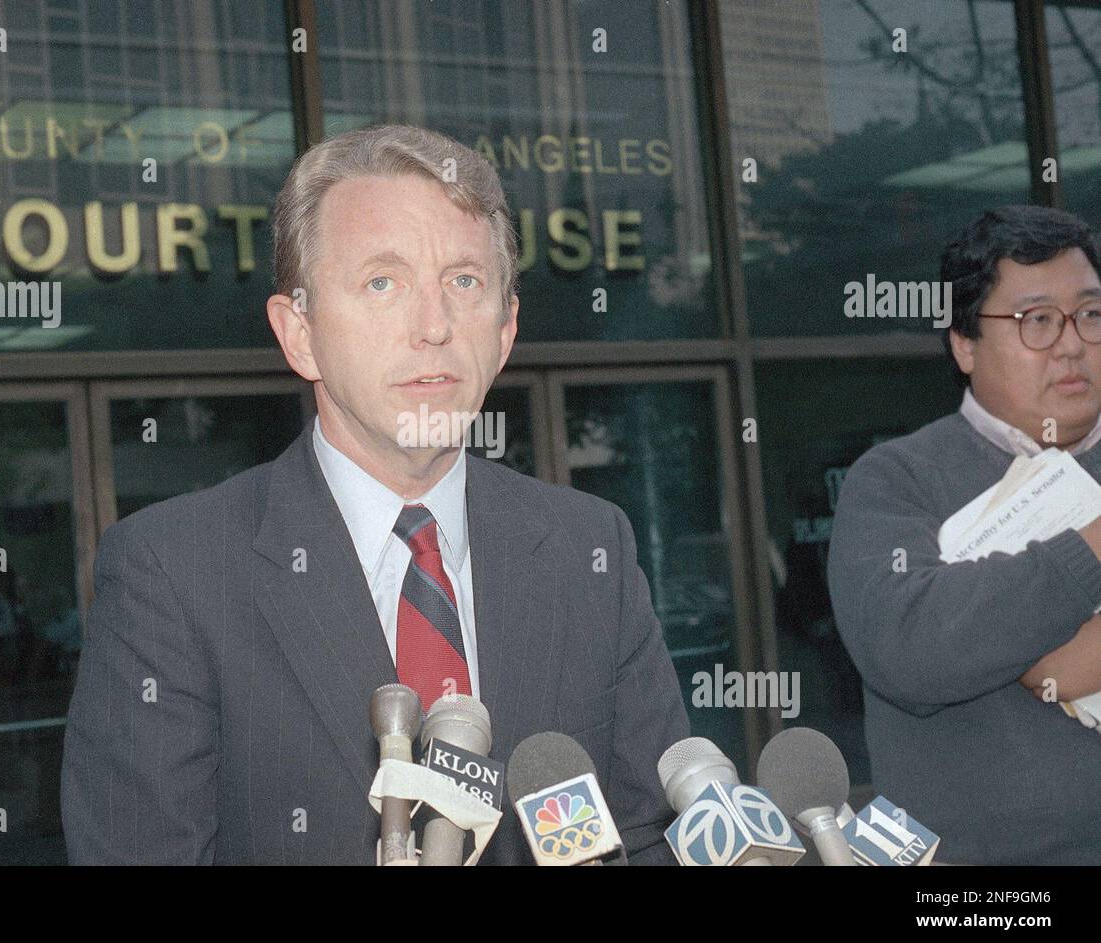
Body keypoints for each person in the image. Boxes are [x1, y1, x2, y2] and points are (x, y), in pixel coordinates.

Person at [61, 123, 690, 864]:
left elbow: (648, 834)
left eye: (464, 281)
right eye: (382, 282)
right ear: (300, 334)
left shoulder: (592, 548)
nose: (434, 325)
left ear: (507, 328)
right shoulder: (174, 572)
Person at [827, 205, 1101, 864]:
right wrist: (1089, 549)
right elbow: (912, 647)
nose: (1072, 343)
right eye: (1036, 320)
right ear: (964, 343)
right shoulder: (897, 481)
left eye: (1091, 314)